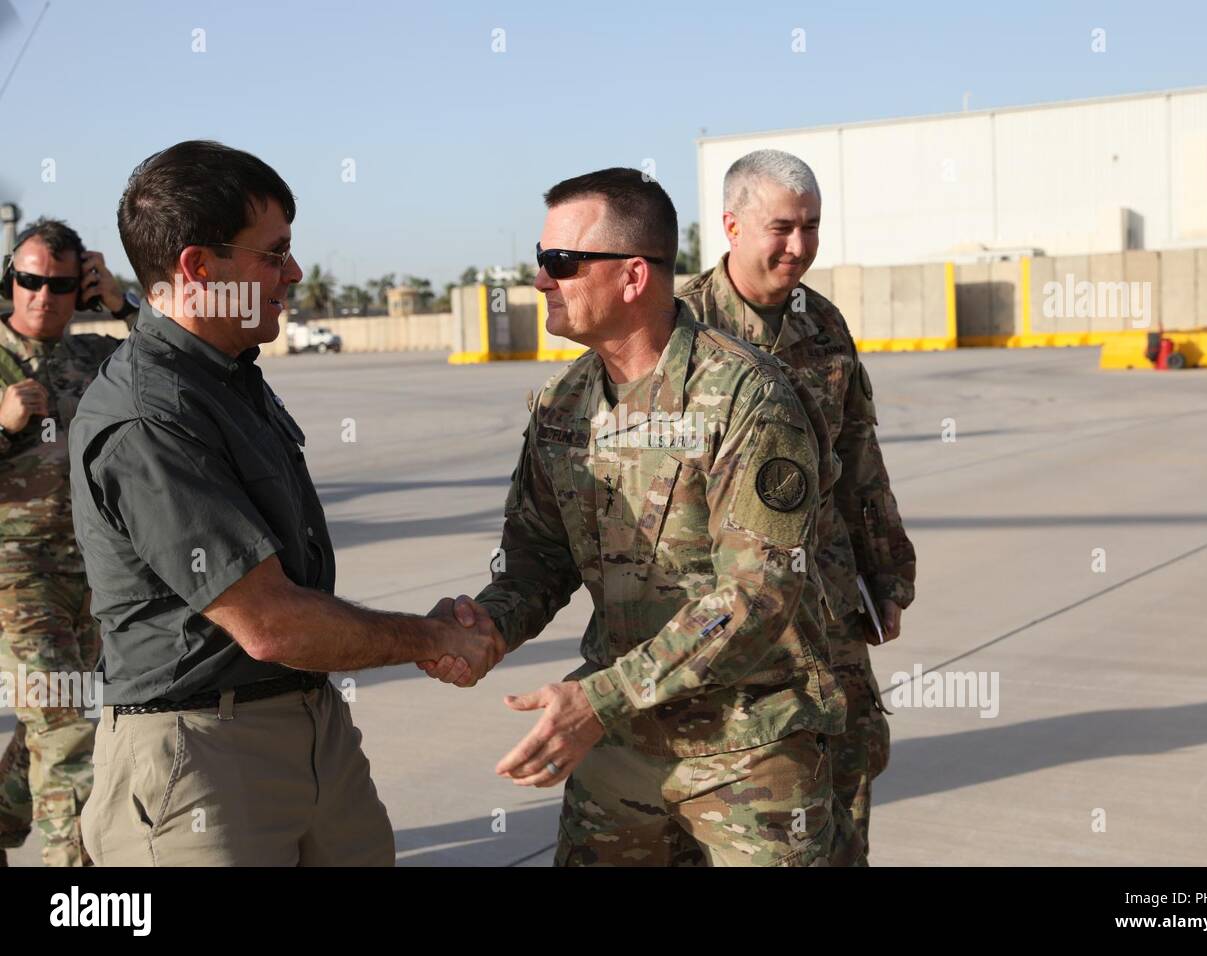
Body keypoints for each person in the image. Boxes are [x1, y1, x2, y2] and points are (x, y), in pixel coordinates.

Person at [68, 140, 504, 866]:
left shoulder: (227, 375)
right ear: (199, 268)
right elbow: (268, 623)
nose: (294, 273)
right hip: (200, 763)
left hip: (308, 731)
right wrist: (432, 639)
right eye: (275, 254)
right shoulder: (149, 415)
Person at [434, 168, 863, 866]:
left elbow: (759, 593)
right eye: (540, 263)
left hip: (747, 753)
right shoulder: (563, 405)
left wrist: (597, 699)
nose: (542, 280)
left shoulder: (747, 397)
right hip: (618, 756)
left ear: (633, 277)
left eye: (560, 263)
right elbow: (538, 559)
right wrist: (484, 629)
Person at [677, 149, 917, 856]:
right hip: (723, 609)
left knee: (848, 770)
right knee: (732, 800)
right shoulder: (677, 331)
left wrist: (887, 573)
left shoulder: (823, 324)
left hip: (825, 603)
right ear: (732, 225)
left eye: (812, 226)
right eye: (782, 227)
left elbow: (860, 463)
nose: (800, 246)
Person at [0, 218, 136, 866]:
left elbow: (183, 359)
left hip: (88, 577)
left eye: (59, 284)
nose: (42, 296)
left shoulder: (93, 357)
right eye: (29, 280)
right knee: (66, 737)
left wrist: (121, 301)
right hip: (15, 579)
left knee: (49, 726)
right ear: (11, 278)